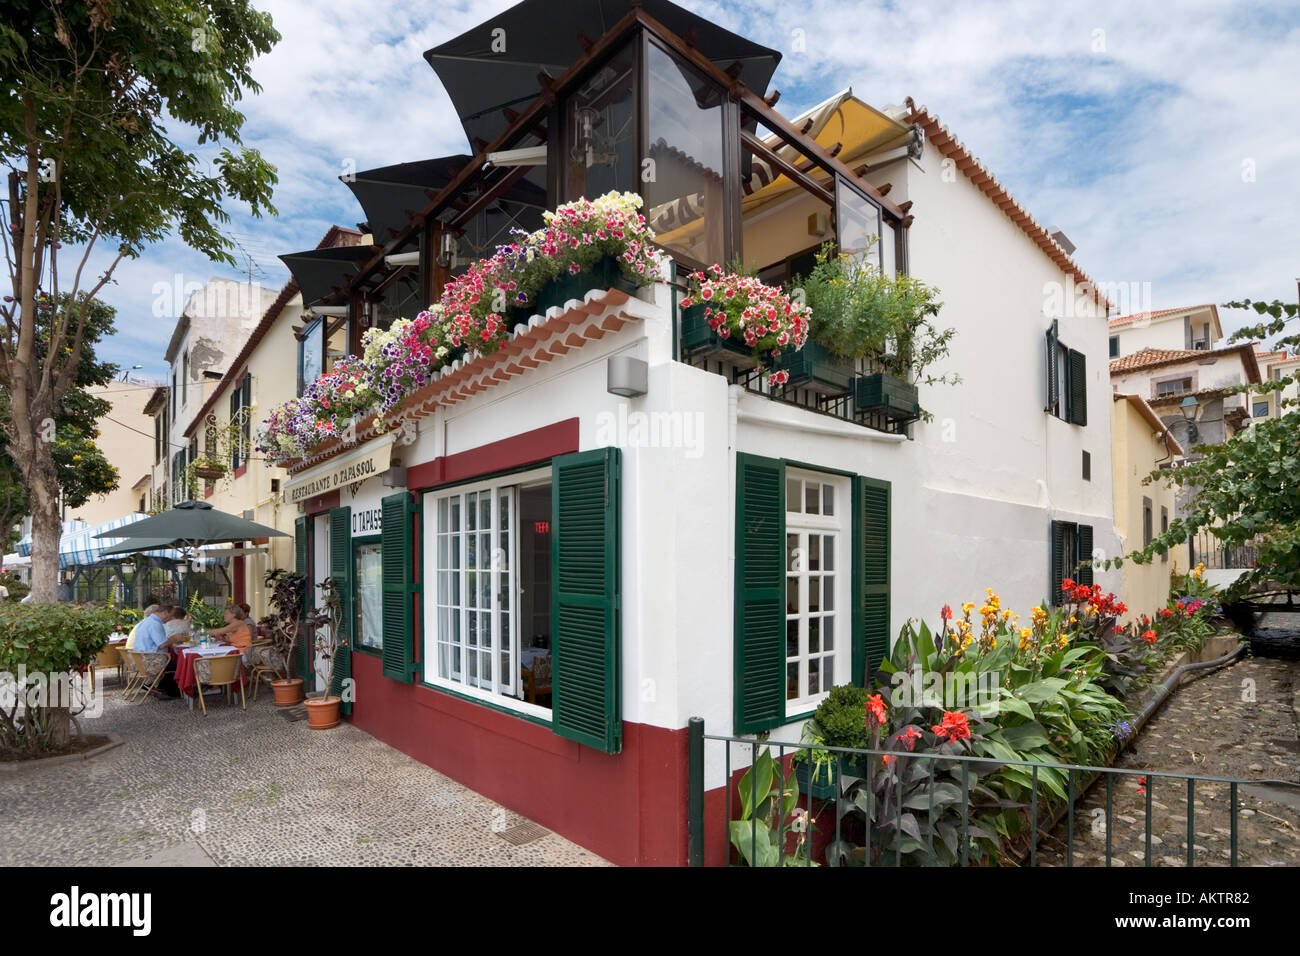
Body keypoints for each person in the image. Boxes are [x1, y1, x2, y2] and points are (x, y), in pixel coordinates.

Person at [132, 605, 183, 697]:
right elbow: (162, 644)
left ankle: (151, 685)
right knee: (180, 665)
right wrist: (174, 638)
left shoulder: (146, 621)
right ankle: (174, 692)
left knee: (174, 663)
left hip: (140, 660)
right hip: (151, 661)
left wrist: (170, 640)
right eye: (170, 616)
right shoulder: (155, 624)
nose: (170, 619)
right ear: (165, 613)